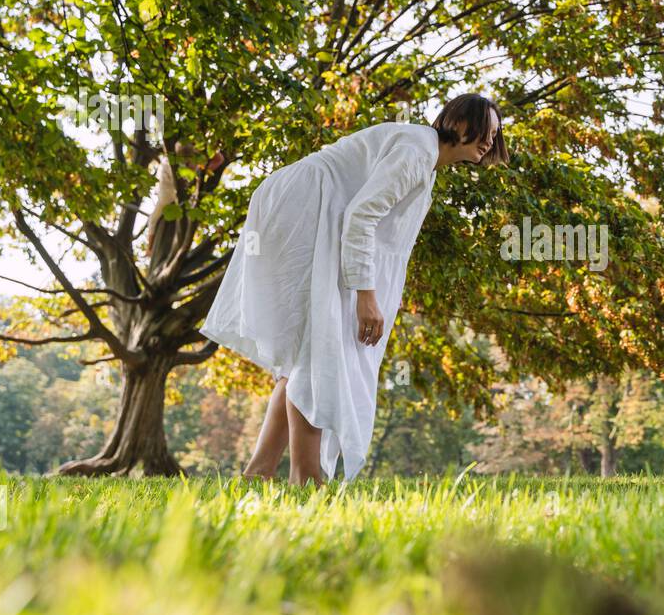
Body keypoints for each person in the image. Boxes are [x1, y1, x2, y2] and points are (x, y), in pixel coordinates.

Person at [199, 93, 509, 484]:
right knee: (320, 347)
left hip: (306, 208)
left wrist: (371, 290)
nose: (490, 141)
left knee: (309, 349)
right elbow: (361, 216)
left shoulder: (423, 160)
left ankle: (259, 472)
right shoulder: (416, 151)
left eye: (495, 135)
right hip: (304, 208)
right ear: (460, 122)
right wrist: (365, 295)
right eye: (486, 130)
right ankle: (307, 476)